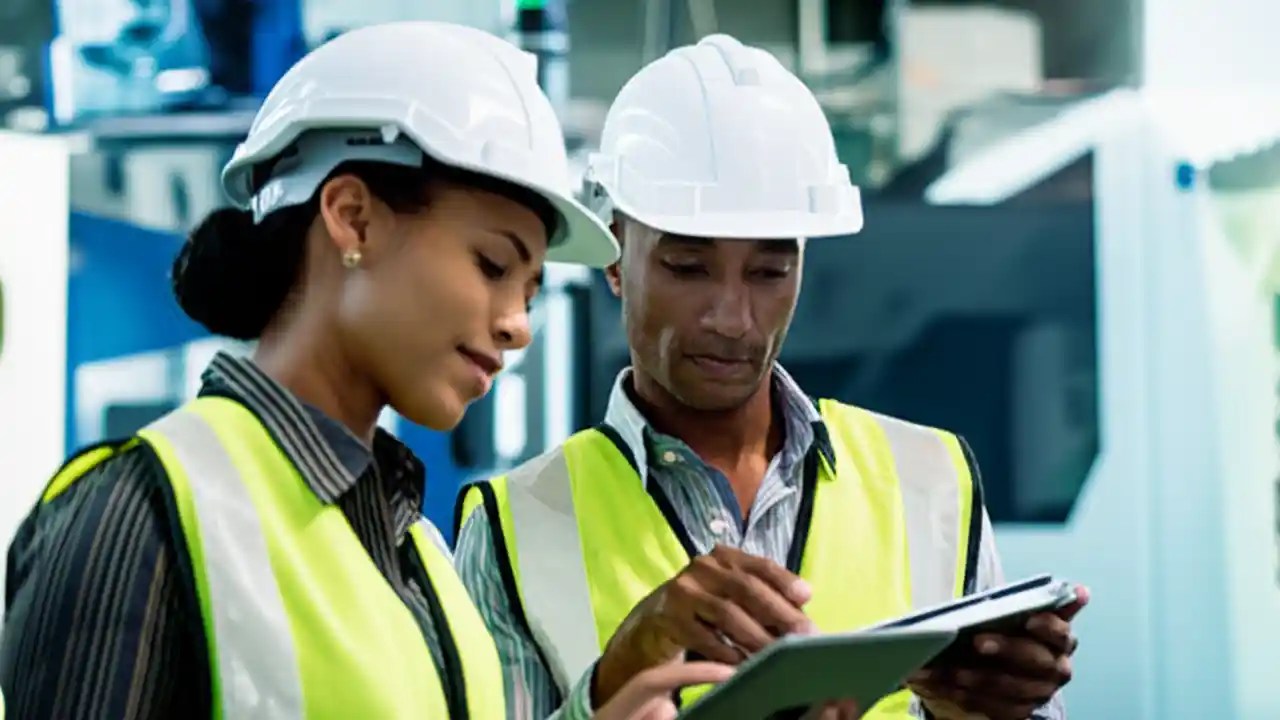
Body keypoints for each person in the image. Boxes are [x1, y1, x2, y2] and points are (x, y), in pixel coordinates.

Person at [0, 21, 727, 720]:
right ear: (353, 216)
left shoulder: (419, 555)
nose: (518, 325)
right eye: (492, 265)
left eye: (530, 291)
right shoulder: (142, 511)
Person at [453, 34, 1087, 720]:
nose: (733, 318)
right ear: (613, 255)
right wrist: (617, 681)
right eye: (687, 268)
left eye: (769, 272)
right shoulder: (513, 527)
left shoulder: (932, 480)